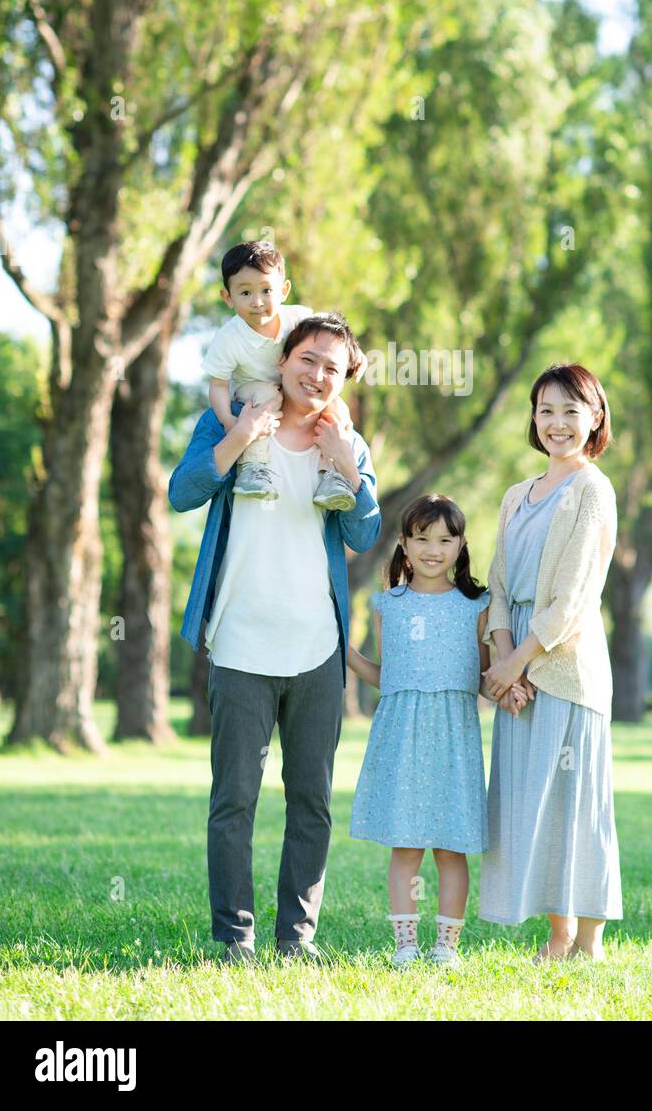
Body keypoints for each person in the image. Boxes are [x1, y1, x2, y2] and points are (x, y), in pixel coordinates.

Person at [168, 309, 381, 965]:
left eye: (333, 369)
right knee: (233, 798)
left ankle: (297, 940)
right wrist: (241, 436)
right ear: (284, 357)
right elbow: (181, 493)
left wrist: (347, 465)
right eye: (308, 359)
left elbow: (363, 535)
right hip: (239, 645)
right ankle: (234, 940)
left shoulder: (346, 439)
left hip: (317, 649)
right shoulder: (229, 414)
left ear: (344, 380)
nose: (317, 375)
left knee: (311, 801)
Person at [479, 362, 623, 963]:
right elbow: (498, 583)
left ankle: (584, 941)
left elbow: (574, 595)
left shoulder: (593, 489)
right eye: (546, 410)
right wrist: (503, 659)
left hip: (567, 671)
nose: (557, 423)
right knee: (530, 803)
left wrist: (519, 663)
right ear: (533, 420)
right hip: (519, 669)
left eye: (571, 410)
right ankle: (557, 932)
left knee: (576, 805)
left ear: (595, 418)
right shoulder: (517, 495)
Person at [348, 494, 527, 967]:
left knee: (452, 847)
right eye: (422, 538)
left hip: (454, 739)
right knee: (406, 845)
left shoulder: (476, 605)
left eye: (445, 539)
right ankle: (405, 944)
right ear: (404, 544)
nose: (433, 549)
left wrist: (507, 690)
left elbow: (484, 676)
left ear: (461, 545)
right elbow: (387, 675)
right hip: (401, 737)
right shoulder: (389, 604)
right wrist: (345, 653)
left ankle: (446, 947)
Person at [203, 238, 364, 510]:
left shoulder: (296, 318)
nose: (257, 302)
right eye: (245, 293)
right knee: (268, 398)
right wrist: (230, 422)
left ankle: (333, 476)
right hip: (254, 388)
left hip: (292, 387)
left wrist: (357, 356)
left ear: (284, 290)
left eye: (266, 290)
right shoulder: (228, 339)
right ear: (227, 297)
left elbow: (334, 335)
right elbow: (218, 384)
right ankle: (253, 467)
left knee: (338, 409)